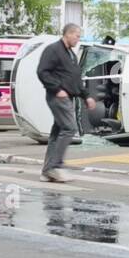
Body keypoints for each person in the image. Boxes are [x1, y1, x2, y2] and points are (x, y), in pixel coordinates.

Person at [36, 23, 96, 182]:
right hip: (58, 97)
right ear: (68, 34)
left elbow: (75, 79)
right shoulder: (53, 49)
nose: (78, 39)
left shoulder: (70, 54)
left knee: (57, 134)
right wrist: (57, 89)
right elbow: (42, 71)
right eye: (77, 36)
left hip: (68, 97)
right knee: (69, 128)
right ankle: (55, 166)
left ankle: (47, 171)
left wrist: (86, 96)